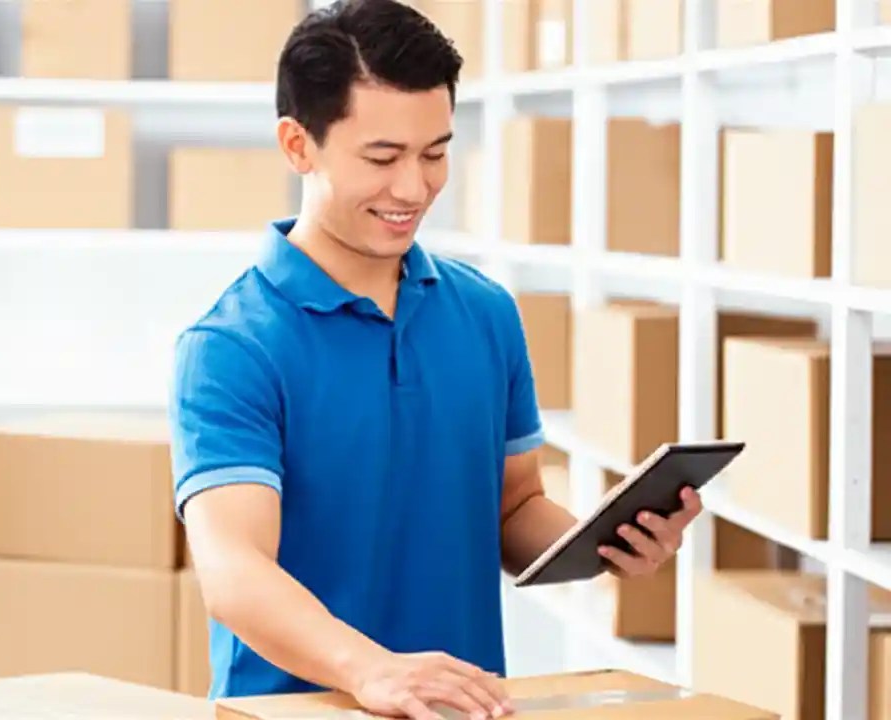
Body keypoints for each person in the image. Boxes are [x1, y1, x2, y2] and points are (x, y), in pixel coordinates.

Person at [167, 1, 705, 718]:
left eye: (436, 153)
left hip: (462, 708)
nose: (415, 189)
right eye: (383, 158)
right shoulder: (233, 348)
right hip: (299, 711)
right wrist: (372, 671)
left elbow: (514, 506)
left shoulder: (484, 313)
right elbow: (235, 572)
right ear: (299, 146)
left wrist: (601, 543)